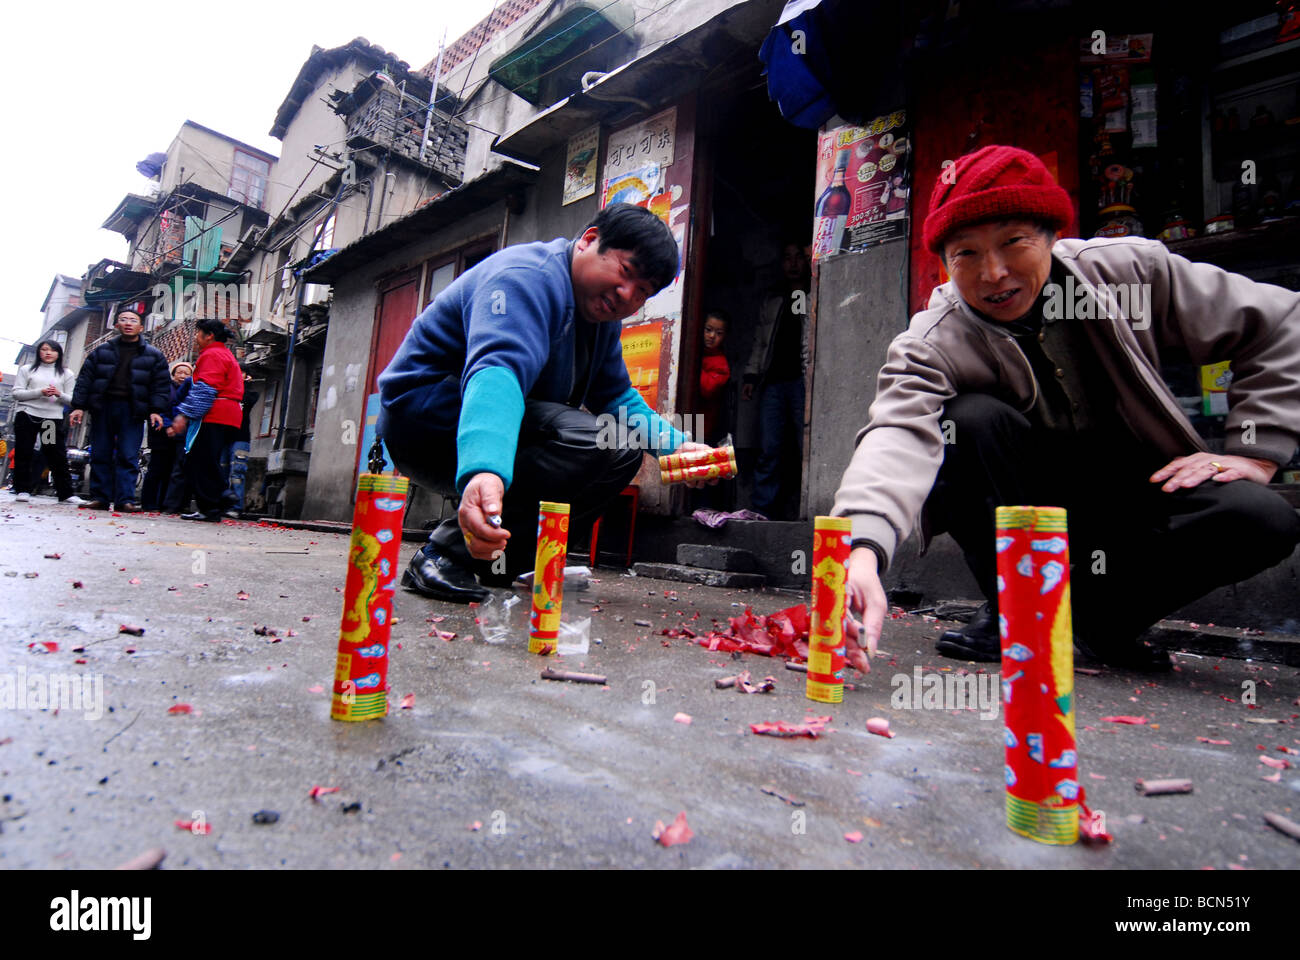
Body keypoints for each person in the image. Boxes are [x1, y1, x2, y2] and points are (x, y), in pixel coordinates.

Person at [834, 144, 1300, 674]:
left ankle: (1094, 622)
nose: (993, 273)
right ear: (943, 263)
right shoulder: (935, 339)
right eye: (966, 253)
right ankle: (1019, 611)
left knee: (1260, 517)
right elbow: (896, 432)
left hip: (1139, 497)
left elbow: (1282, 322)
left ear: (1053, 239)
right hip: (1033, 508)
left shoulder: (1130, 274)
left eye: (1014, 243)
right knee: (966, 422)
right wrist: (862, 553)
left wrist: (1255, 452)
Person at [378, 202, 717, 603]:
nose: (626, 295)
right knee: (588, 440)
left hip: (505, 420)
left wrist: (676, 448)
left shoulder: (599, 321)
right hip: (424, 417)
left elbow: (616, 397)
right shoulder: (526, 277)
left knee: (619, 448)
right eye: (626, 273)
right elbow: (498, 373)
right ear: (589, 240)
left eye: (642, 292)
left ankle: (503, 562)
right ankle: (444, 554)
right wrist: (484, 470)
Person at [69, 309, 170, 511]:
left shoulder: (154, 355)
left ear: (141, 327)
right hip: (103, 407)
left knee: (128, 454)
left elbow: (160, 385)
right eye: (123, 319)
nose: (128, 323)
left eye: (133, 320)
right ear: (117, 325)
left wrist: (156, 410)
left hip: (133, 410)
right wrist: (78, 406)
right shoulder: (101, 351)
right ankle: (100, 497)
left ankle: (125, 499)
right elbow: (85, 379)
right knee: (100, 453)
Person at [743, 242, 811, 519]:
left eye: (799, 258)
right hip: (773, 383)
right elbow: (761, 341)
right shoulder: (773, 298)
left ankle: (803, 511)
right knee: (770, 447)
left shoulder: (812, 292)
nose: (793, 263)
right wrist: (751, 374)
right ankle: (762, 512)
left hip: (802, 382)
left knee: (802, 447)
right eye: (787, 257)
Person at [166, 319, 244, 521]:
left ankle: (219, 498)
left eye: (198, 333)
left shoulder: (212, 354)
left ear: (209, 335)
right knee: (205, 459)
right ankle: (213, 505)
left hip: (215, 413)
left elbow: (205, 389)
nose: (195, 337)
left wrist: (184, 415)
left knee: (199, 459)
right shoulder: (225, 353)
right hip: (229, 414)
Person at [10, 339, 84, 505]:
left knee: (55, 454)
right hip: (27, 414)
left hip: (50, 419)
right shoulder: (27, 369)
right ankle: (22, 489)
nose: (48, 353)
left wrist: (59, 394)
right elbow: (17, 393)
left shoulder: (66, 374)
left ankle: (65, 493)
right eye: (44, 349)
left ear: (59, 354)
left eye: (52, 350)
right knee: (24, 452)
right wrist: (40, 392)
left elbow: (72, 400)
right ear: (38, 352)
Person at [140, 360, 192, 511]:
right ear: (173, 374)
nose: (182, 376)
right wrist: (168, 425)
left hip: (180, 437)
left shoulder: (190, 390)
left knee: (172, 470)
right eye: (179, 372)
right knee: (156, 468)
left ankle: (164, 503)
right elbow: (159, 408)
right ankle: (148, 503)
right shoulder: (165, 389)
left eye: (186, 373)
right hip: (161, 433)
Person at [218, 375, 258, 519]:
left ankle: (236, 507)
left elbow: (249, 401)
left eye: (241, 372)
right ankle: (220, 505)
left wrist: (244, 385)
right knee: (221, 472)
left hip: (240, 438)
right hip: (223, 437)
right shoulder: (223, 390)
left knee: (237, 472)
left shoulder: (250, 393)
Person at [699, 310, 731, 444]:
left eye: (719, 333)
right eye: (708, 330)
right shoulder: (697, 351)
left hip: (703, 425)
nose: (712, 336)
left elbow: (707, 389)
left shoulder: (721, 364)